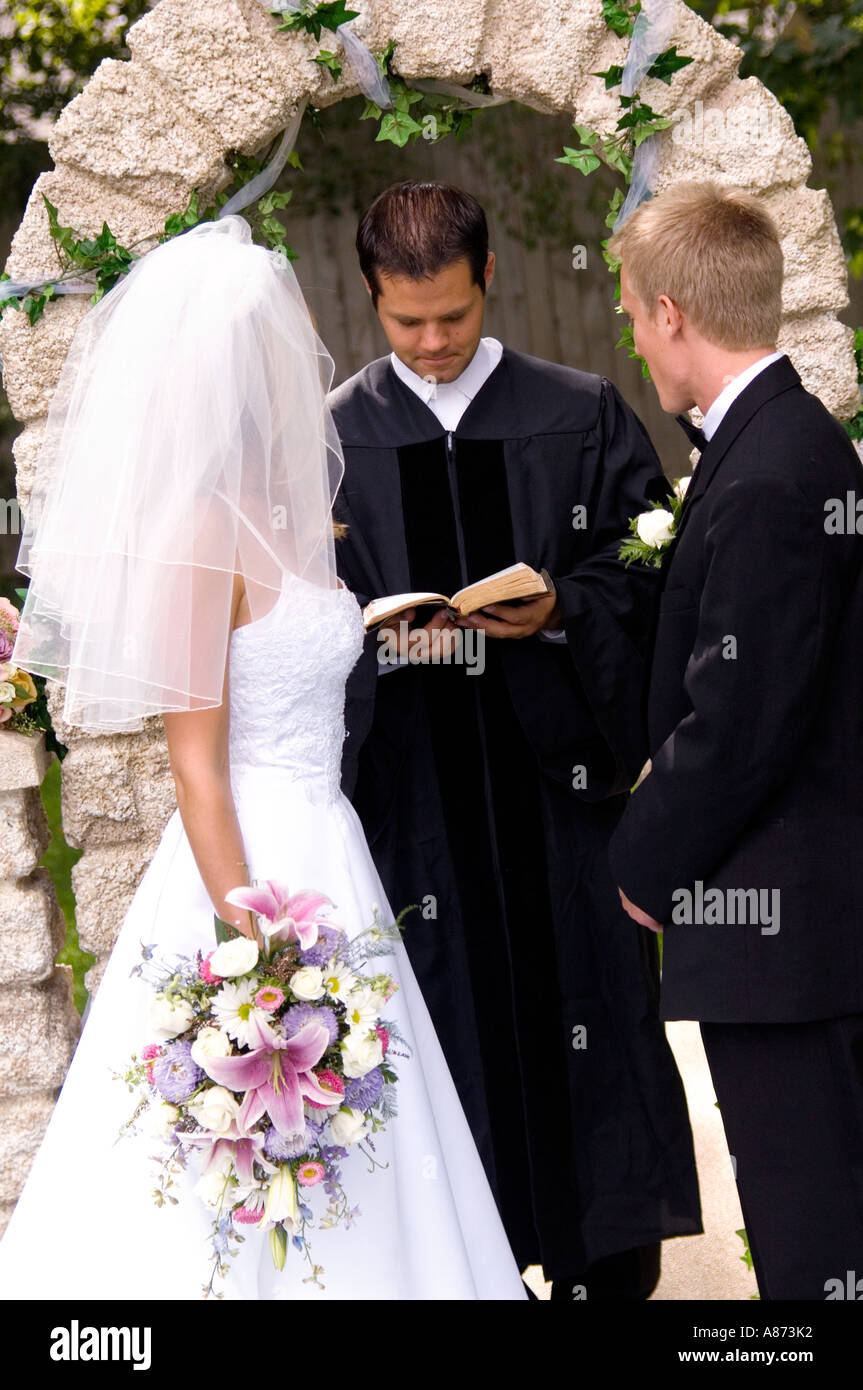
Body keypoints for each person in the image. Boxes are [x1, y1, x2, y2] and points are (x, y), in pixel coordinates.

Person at [0, 215, 527, 1301]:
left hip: (329, 840)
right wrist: (250, 934)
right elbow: (195, 761)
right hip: (245, 866)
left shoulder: (295, 518)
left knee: (361, 1121)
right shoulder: (198, 532)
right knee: (232, 1133)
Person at [329, 180, 702, 1299]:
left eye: (452, 314)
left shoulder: (580, 410)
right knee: (440, 1028)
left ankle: (606, 1271)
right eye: (407, 323)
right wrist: (380, 645)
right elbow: (301, 616)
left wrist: (560, 613)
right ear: (370, 299)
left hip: (555, 799)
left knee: (587, 1022)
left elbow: (647, 581)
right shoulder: (332, 439)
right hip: (417, 813)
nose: (434, 342)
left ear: (486, 276)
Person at [608, 181, 863, 1300]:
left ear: (669, 313)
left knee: (814, 1240)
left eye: (628, 310)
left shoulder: (767, 471)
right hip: (794, 928)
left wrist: (642, 865)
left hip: (789, 936)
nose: (629, 333)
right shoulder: (778, 439)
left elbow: (740, 720)